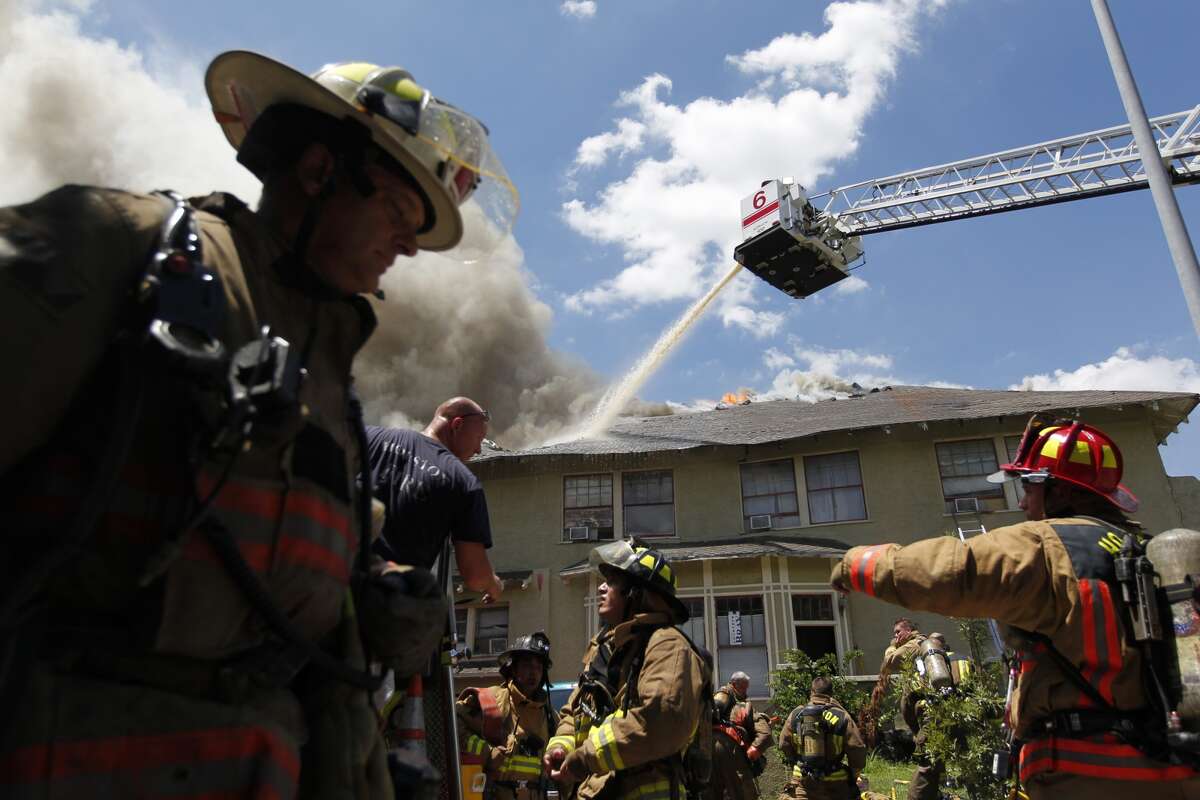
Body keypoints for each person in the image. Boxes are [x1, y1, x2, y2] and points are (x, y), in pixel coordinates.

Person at [0, 50, 515, 798]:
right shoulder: (126, 253)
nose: (410, 246)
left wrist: (375, 591)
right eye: (402, 214)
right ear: (317, 172)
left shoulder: (331, 381)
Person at [830, 416, 1200, 799]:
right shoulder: (1143, 553)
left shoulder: (1047, 545)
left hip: (1091, 775)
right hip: (1172, 768)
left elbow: (951, 571)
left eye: (1029, 486)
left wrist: (854, 564)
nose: (1022, 501)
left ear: (1059, 491)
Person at [542, 540, 709, 800]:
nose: (601, 586)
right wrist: (560, 747)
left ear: (638, 593)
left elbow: (660, 720)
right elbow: (573, 712)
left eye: (613, 580)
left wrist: (584, 758)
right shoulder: (604, 651)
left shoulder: (667, 646)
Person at [367, 396, 503, 599]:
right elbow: (475, 576)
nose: (478, 449)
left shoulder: (372, 437)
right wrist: (494, 585)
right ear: (457, 425)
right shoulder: (463, 482)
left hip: (331, 577)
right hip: (385, 602)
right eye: (478, 439)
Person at [457, 632, 558, 800]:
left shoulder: (549, 716)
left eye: (539, 667)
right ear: (514, 668)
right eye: (527, 665)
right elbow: (454, 726)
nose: (533, 672)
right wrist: (486, 753)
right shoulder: (491, 700)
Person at [778, 676, 866, 800]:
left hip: (803, 781)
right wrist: (853, 774)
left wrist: (796, 762)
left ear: (811, 692)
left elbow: (783, 744)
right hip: (835, 785)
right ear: (831, 693)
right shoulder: (842, 716)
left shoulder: (796, 714)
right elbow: (857, 748)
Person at [710, 671, 773, 800]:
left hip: (707, 746)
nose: (746, 691)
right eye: (744, 687)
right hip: (731, 749)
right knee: (743, 791)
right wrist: (755, 748)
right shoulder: (745, 706)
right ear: (734, 684)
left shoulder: (713, 704)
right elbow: (765, 733)